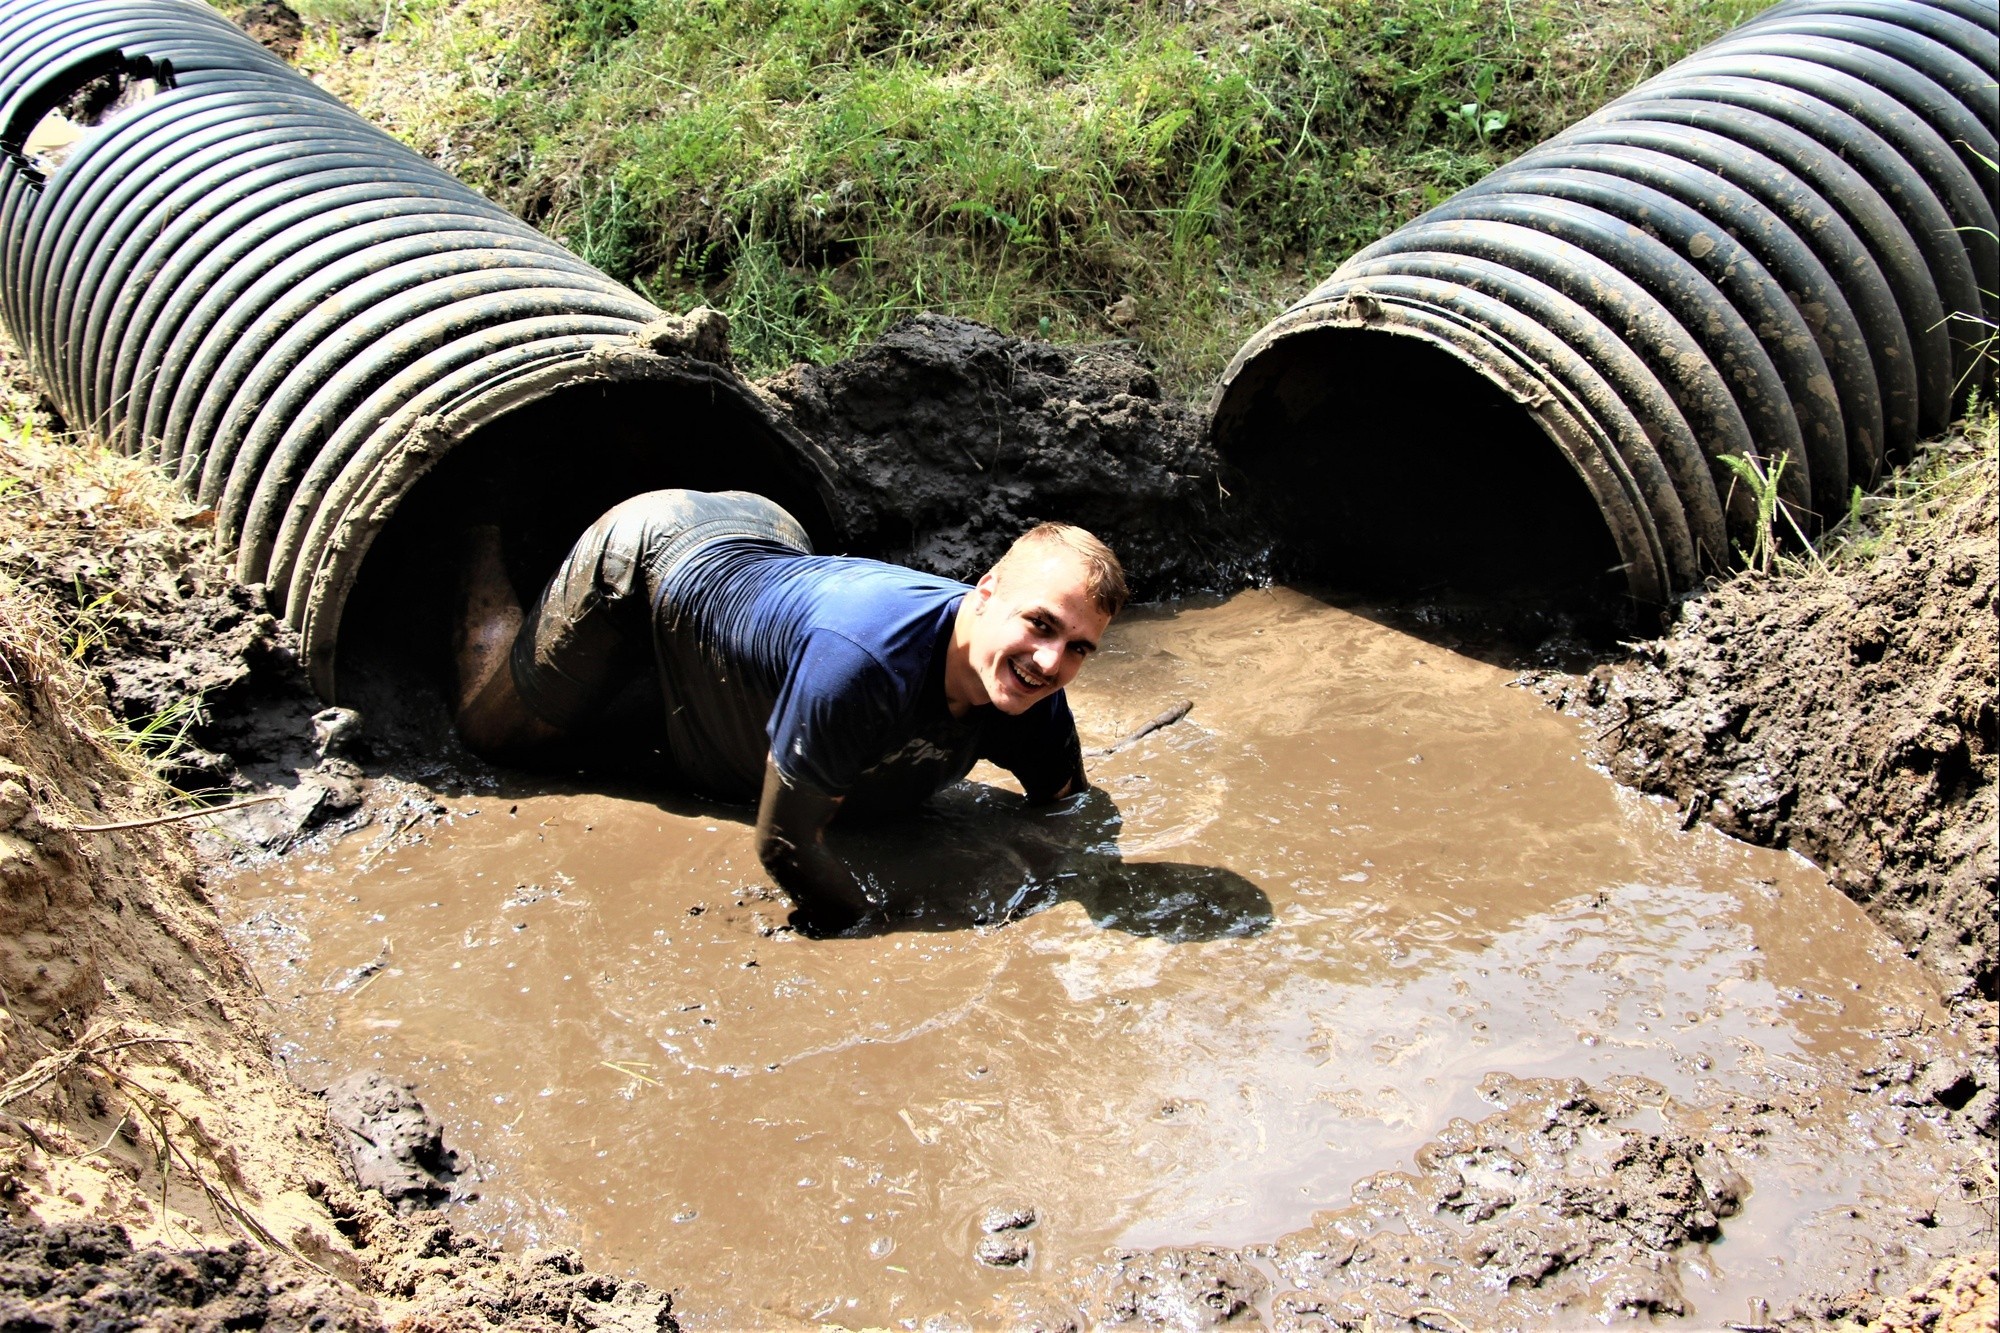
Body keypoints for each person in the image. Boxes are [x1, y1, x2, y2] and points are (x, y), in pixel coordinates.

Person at [452, 489, 1127, 931]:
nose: (1048, 661)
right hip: (651, 559)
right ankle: (477, 532)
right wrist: (874, 926)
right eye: (1038, 624)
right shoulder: (865, 663)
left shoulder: (1033, 692)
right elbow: (784, 842)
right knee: (494, 734)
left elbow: (1069, 808)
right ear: (984, 594)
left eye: (1077, 647)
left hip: (772, 540)